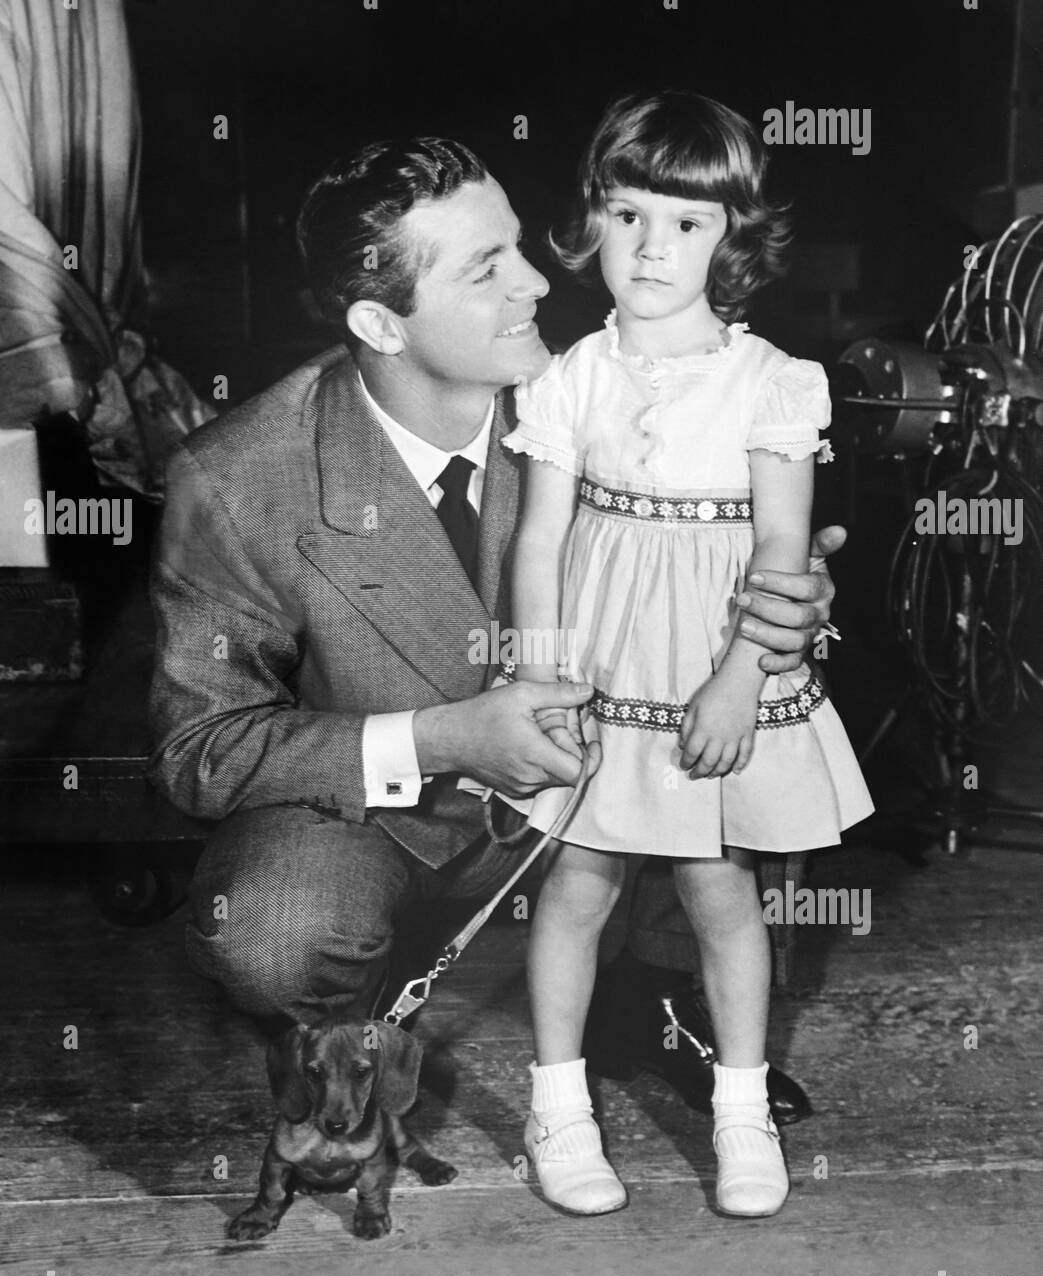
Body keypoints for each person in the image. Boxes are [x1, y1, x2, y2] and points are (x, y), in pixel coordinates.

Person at [147, 134, 839, 1125]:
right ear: (380, 323)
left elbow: (742, 542)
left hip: (613, 779)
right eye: (485, 269)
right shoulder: (237, 475)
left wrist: (785, 606)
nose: (532, 283)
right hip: (394, 817)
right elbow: (198, 752)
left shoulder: (608, 390)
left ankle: (650, 996)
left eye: (516, 245)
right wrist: (444, 737)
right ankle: (355, 1023)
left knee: (731, 779)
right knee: (272, 928)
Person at [503, 92, 874, 1219]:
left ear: (734, 239)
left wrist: (732, 681)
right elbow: (538, 539)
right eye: (626, 216)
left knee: (723, 891)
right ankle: (557, 1106)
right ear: (590, 227)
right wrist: (541, 681)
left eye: (685, 221)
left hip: (715, 668)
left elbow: (776, 546)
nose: (651, 247)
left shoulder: (772, 381)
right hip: (602, 674)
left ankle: (739, 1107)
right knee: (576, 882)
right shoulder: (567, 375)